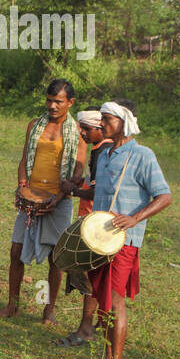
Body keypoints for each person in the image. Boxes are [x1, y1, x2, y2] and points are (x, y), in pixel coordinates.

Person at [79, 101, 171, 359]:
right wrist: (73, 192)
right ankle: (107, 357)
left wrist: (135, 218)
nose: (102, 124)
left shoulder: (143, 155)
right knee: (103, 298)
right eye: (102, 120)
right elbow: (98, 193)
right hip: (99, 239)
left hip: (124, 240)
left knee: (115, 300)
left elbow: (164, 196)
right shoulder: (105, 154)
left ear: (123, 122)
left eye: (107, 120)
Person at [0, 79, 87, 324]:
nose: (52, 106)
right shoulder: (35, 125)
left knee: (57, 257)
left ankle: (49, 311)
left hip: (60, 202)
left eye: (58, 101)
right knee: (15, 251)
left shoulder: (78, 132)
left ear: (70, 103)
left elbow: (78, 172)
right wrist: (23, 187)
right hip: (31, 200)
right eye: (49, 100)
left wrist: (59, 198)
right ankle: (12, 305)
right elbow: (24, 160)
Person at [55, 107, 111, 346]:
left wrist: (75, 190)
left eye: (86, 129)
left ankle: (86, 327)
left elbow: (98, 190)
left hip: (95, 221)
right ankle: (97, 323)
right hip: (93, 217)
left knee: (89, 276)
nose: (82, 133)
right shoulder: (99, 150)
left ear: (100, 128)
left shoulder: (104, 152)